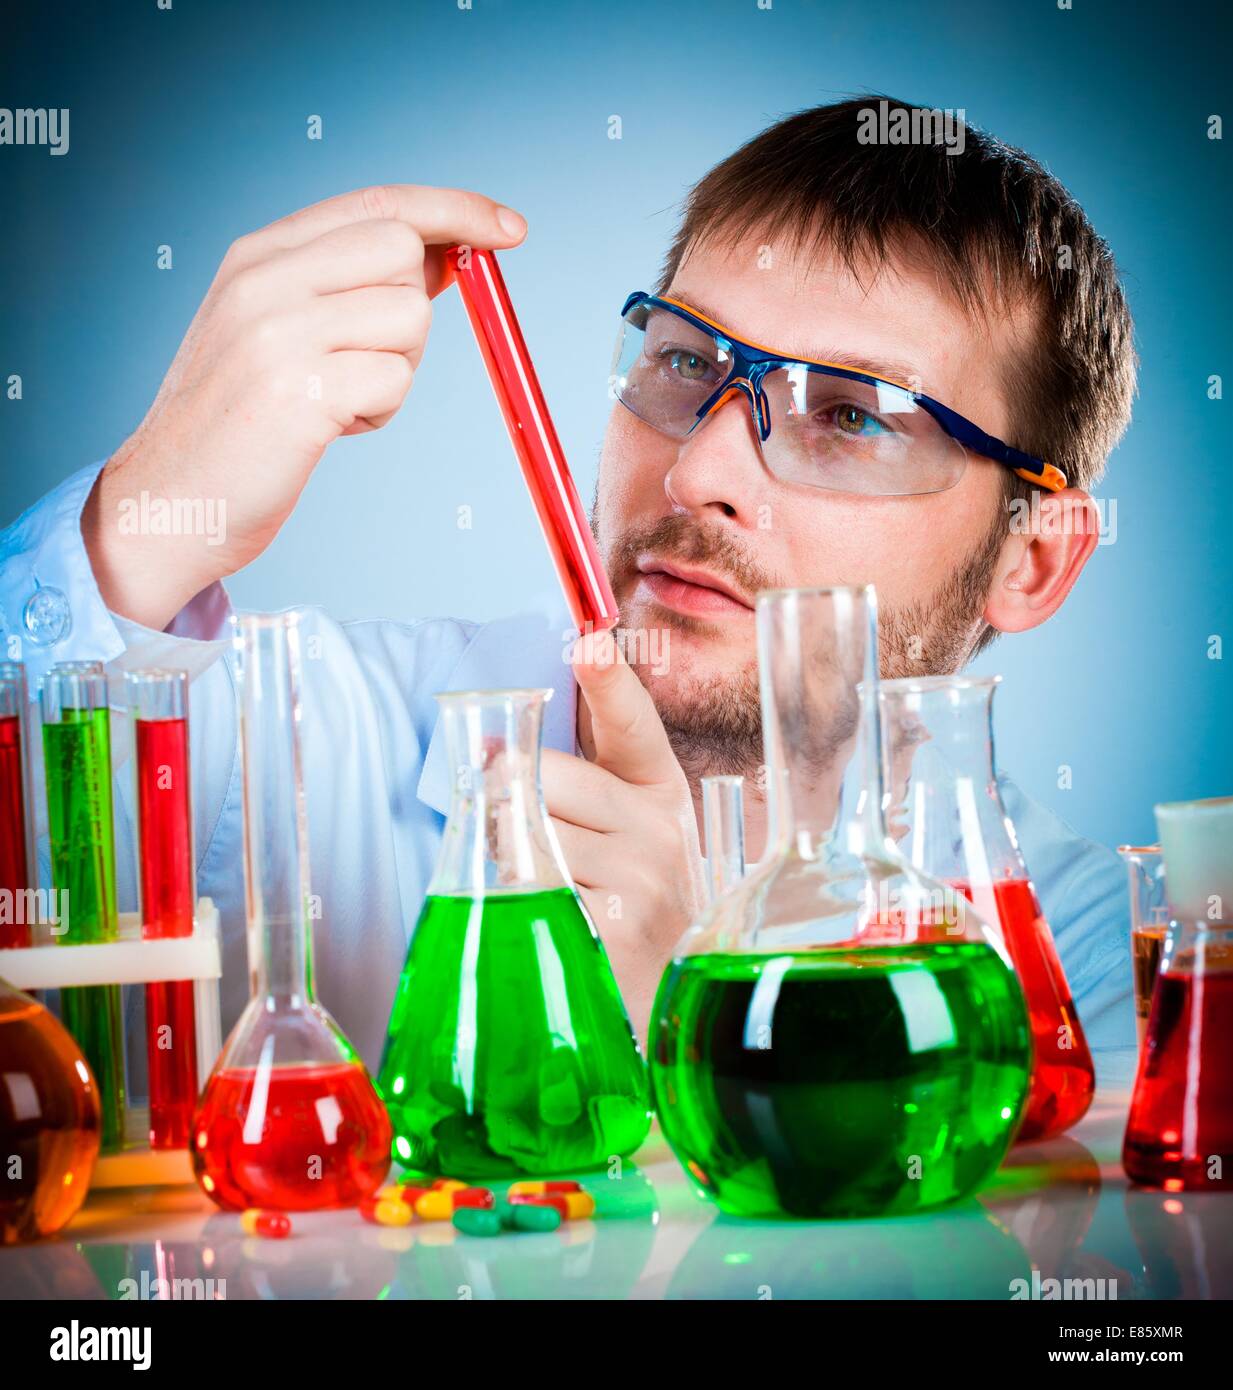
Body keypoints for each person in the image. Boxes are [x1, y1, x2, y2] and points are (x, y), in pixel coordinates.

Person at [0, 97, 1137, 1068]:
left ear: (1033, 557)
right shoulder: (326, 743)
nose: (698, 472)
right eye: (688, 362)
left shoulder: (1097, 963)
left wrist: (699, 1035)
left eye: (851, 417)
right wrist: (138, 525)